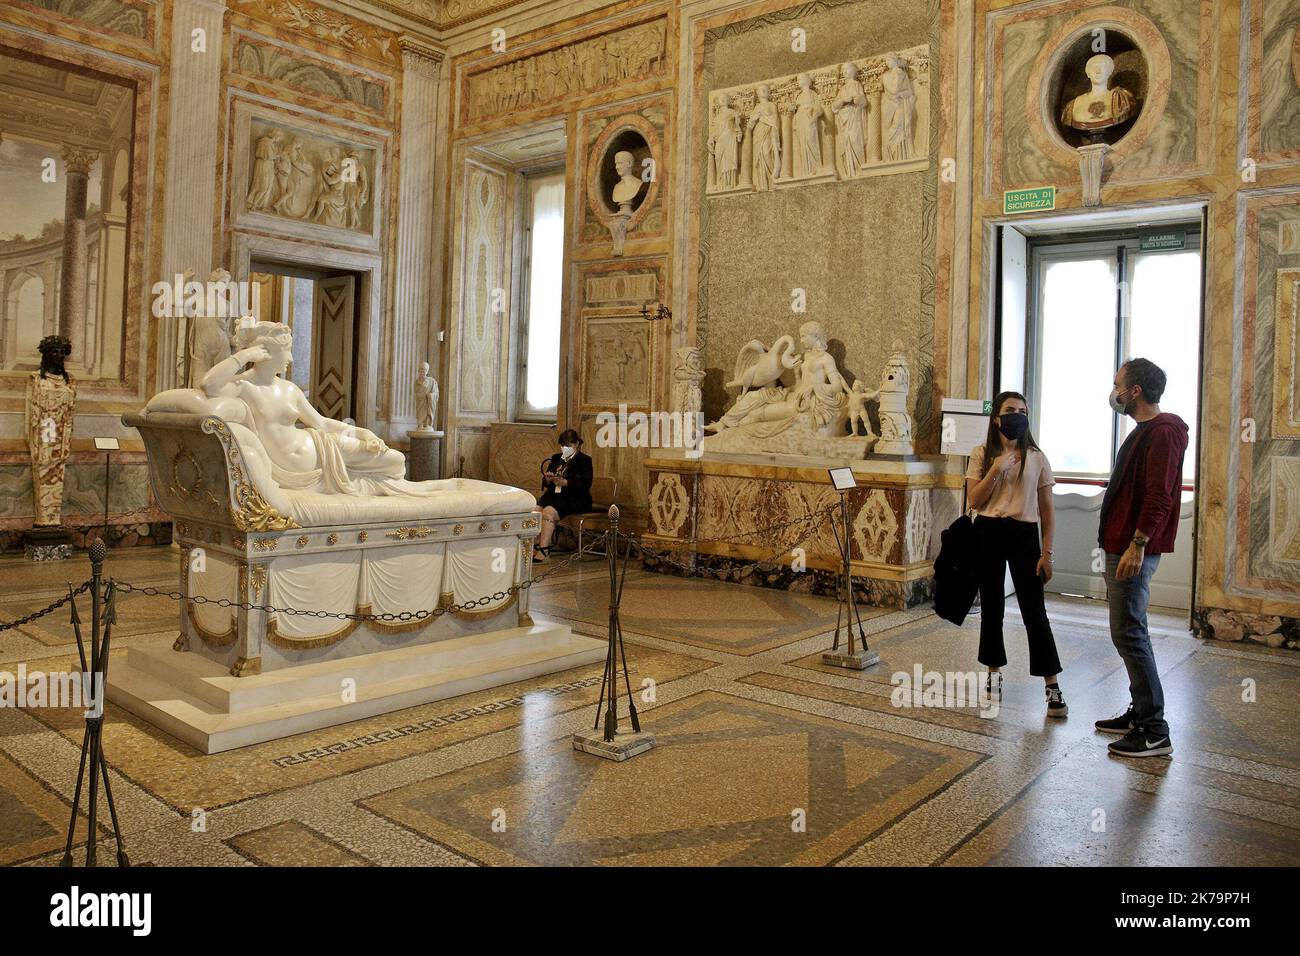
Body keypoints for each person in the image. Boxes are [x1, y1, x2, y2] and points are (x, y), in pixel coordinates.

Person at [1095, 358, 1189, 758]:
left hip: (1133, 547)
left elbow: (1160, 495)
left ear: (1135, 391)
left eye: (1118, 385)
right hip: (1123, 544)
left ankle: (1154, 729)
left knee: (1130, 632)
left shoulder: (1164, 431)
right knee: (1129, 630)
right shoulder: (1145, 432)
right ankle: (1141, 711)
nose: (1113, 392)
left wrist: (1138, 543)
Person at [965, 391, 1066, 717]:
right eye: (1010, 410)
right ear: (997, 417)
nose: (1017, 415)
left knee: (1034, 612)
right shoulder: (981, 454)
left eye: (1022, 410)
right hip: (988, 531)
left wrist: (1047, 553)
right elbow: (974, 501)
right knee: (992, 607)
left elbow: (1048, 512)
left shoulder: (1037, 457)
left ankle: (1052, 686)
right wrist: (996, 469)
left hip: (1024, 534)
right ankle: (993, 674)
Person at [533, 429, 593, 562]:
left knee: (548, 512)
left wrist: (566, 482)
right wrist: (548, 479)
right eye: (563, 445)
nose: (566, 448)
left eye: (569, 445)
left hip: (574, 498)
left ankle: (544, 550)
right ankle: (535, 545)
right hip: (554, 495)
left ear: (577, 444)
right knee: (536, 511)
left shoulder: (584, 460)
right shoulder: (556, 458)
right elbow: (547, 481)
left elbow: (586, 483)